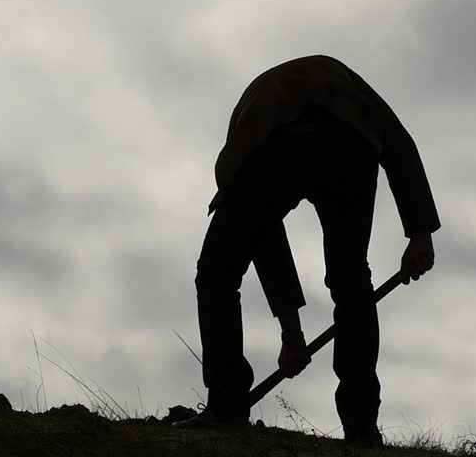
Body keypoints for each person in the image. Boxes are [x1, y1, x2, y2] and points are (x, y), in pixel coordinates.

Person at [176, 55, 440, 447]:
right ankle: (362, 426)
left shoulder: (246, 148)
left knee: (217, 270)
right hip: (354, 143)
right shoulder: (344, 89)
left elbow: (261, 233)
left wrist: (291, 333)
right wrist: (419, 233)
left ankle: (227, 406)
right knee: (351, 277)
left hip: (292, 139)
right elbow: (397, 141)